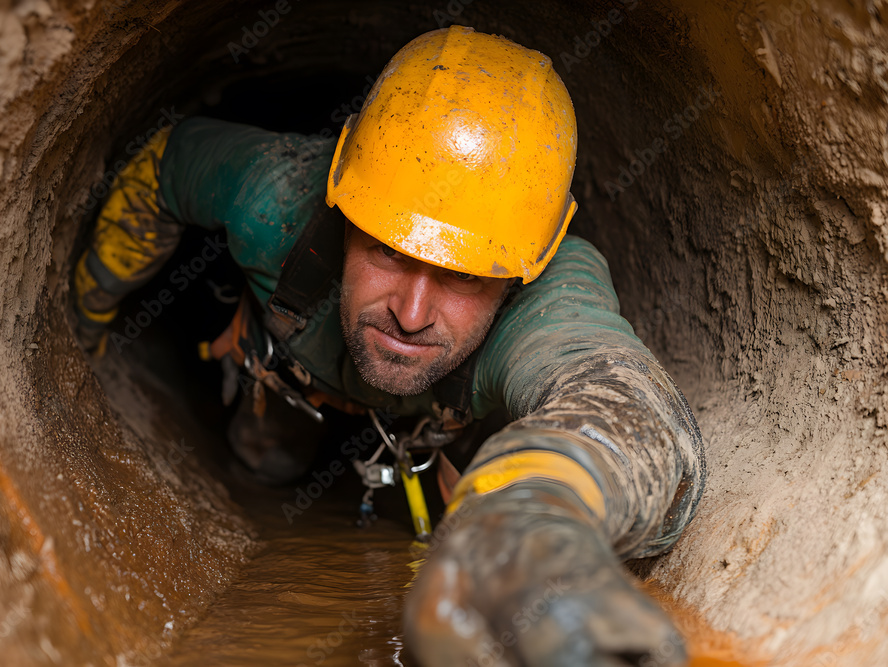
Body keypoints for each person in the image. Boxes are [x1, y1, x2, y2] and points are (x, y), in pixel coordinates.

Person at [73, 25, 705, 667]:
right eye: (387, 250)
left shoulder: (549, 294)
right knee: (264, 465)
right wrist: (89, 318)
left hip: (438, 426)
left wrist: (531, 508)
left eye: (464, 275)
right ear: (344, 215)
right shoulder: (276, 198)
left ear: (525, 270)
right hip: (298, 379)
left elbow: (628, 404)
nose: (410, 313)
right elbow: (167, 163)